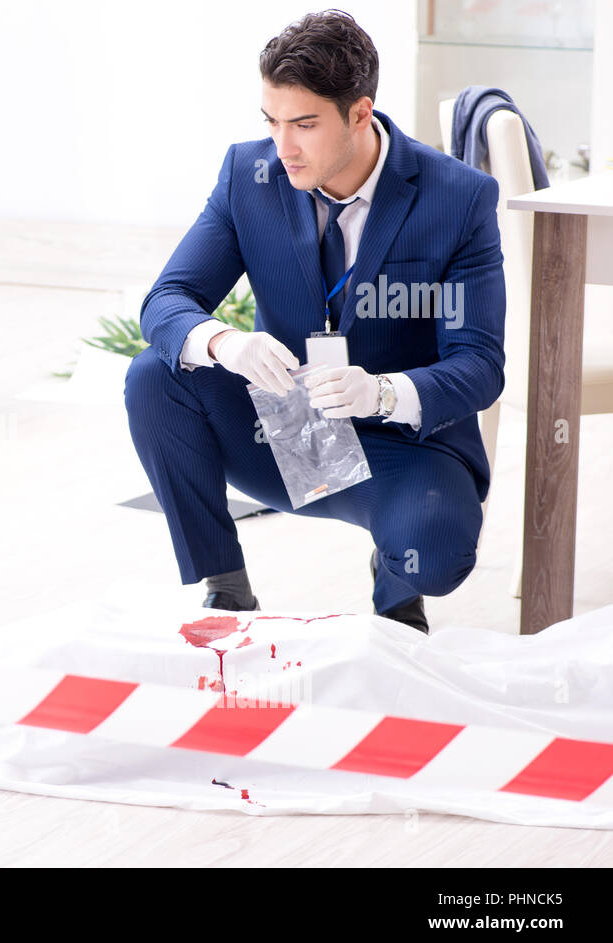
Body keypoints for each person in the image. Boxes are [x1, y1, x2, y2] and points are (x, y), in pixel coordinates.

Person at [124, 11, 505, 633]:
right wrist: (224, 343)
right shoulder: (249, 178)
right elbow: (167, 300)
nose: (283, 148)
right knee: (155, 376)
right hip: (284, 430)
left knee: (434, 557)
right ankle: (225, 588)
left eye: (304, 125)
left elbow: (479, 364)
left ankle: (397, 588)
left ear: (360, 113)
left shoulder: (457, 197)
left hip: (399, 443)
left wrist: (383, 392)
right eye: (272, 122)